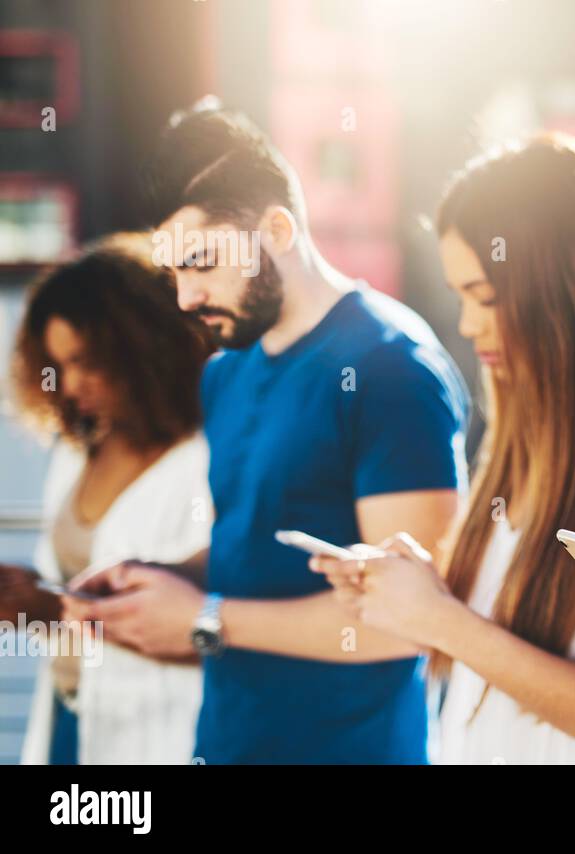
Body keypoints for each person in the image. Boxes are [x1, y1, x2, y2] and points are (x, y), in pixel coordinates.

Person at [311, 133, 575, 764]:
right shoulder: (519, 440)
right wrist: (411, 593)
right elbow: (489, 656)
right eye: (460, 296)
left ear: (557, 284)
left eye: (485, 295)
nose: (467, 324)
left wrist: (445, 622)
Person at [71, 103, 470, 764]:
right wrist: (161, 582)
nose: (185, 299)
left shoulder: (391, 366)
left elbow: (417, 620)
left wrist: (203, 619)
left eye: (201, 262)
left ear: (278, 229)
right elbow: (263, 540)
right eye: (173, 274)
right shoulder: (226, 370)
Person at [9, 233, 213, 764]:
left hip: (162, 733)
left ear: (142, 347)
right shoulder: (79, 451)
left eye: (87, 361)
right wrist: (30, 607)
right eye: (58, 364)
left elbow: (216, 621)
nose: (72, 384)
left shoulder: (206, 458)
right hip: (69, 716)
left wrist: (53, 606)